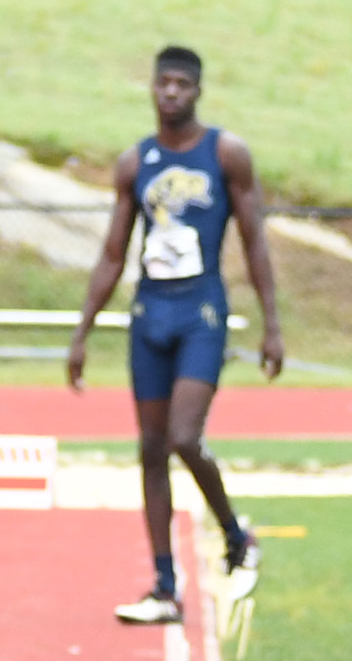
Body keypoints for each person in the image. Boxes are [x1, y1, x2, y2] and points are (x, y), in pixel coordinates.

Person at [70, 46, 283, 624]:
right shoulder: (134, 162)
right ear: (151, 88)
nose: (170, 93)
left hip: (200, 313)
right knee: (150, 449)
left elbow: (254, 240)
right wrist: (82, 331)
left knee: (184, 436)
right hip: (150, 315)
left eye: (181, 84)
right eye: (162, 82)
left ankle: (235, 533)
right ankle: (165, 587)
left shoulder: (225, 153)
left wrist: (271, 325)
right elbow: (113, 253)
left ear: (197, 91)